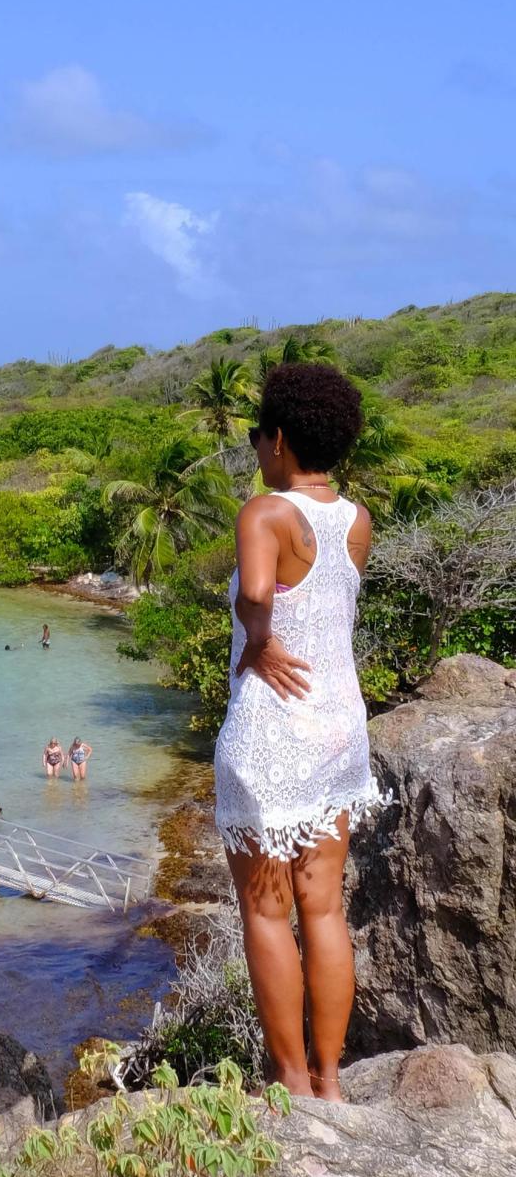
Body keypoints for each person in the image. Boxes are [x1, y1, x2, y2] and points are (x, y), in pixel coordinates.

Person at [216, 363, 384, 1101]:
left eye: (260, 435)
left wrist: (256, 636)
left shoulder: (265, 513)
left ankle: (288, 1080)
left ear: (279, 439)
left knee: (265, 910)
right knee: (324, 904)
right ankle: (331, 1079)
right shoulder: (354, 519)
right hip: (339, 727)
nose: (257, 448)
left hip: (273, 727)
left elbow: (259, 590)